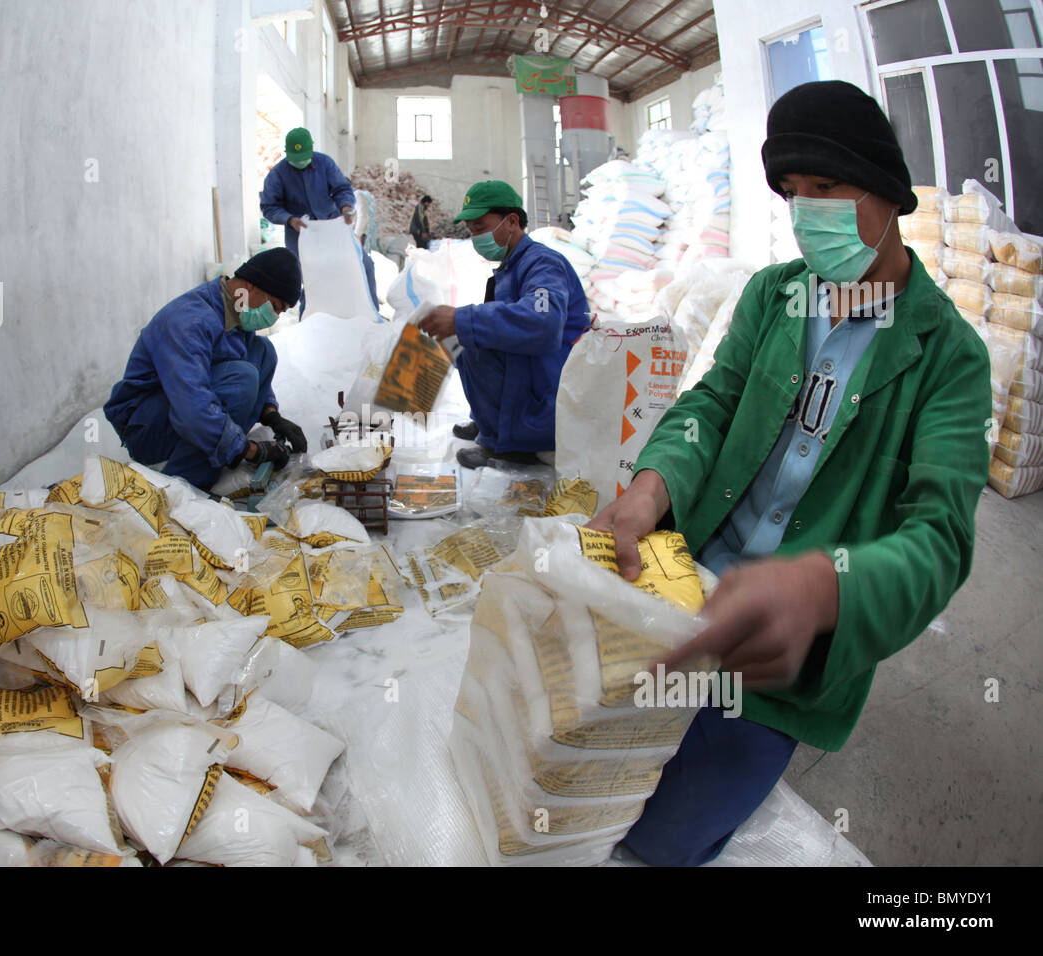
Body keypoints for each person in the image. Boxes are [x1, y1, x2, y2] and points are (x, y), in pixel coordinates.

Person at [585, 80, 991, 865]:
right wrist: (652, 486)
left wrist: (823, 588)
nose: (808, 212)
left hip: (784, 642)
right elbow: (712, 399)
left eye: (828, 188)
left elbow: (939, 539)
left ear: (886, 193)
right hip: (686, 572)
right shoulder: (776, 297)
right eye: (793, 193)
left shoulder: (950, 358)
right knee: (584, 761)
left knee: (662, 840)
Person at [103, 248, 310, 490]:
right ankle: (182, 480)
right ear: (253, 287)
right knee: (242, 378)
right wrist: (250, 451)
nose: (273, 317)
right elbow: (192, 404)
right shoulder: (189, 321)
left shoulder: (234, 309)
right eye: (275, 307)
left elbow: (244, 359)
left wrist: (272, 416)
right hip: (148, 429)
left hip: (178, 411)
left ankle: (220, 449)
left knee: (263, 352)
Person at [418, 180, 589, 469]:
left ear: (511, 221)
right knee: (462, 338)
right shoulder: (512, 266)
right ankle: (490, 422)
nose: (476, 238)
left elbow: (543, 324)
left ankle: (516, 443)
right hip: (533, 367)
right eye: (471, 232)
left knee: (470, 340)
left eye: (481, 228)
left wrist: (462, 319)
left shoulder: (543, 264)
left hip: (551, 377)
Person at [259, 127, 377, 314]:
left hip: (331, 227)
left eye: (303, 158)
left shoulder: (325, 164)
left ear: (311, 150)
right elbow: (268, 207)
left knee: (364, 265)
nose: (300, 163)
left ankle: (370, 316)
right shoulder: (278, 174)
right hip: (300, 232)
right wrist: (290, 219)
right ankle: (311, 323)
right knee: (310, 278)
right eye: (295, 160)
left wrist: (346, 207)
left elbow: (342, 189)